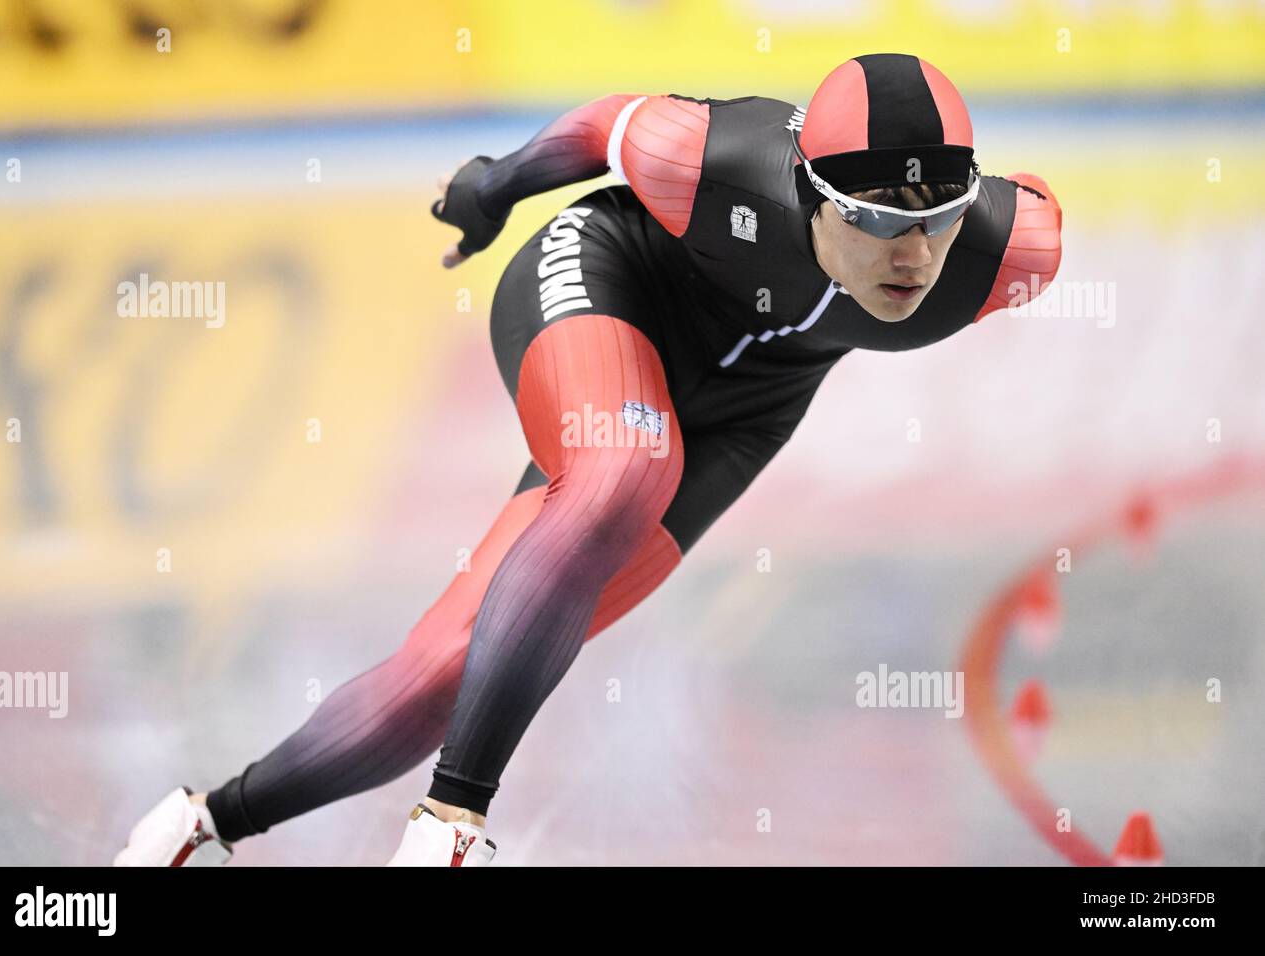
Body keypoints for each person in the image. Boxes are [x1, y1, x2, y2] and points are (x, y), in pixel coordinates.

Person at [113, 52, 1062, 867]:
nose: (913, 251)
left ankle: (199, 824)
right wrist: (492, 187)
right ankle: (453, 823)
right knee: (621, 473)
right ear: (811, 191)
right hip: (609, 285)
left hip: (742, 417)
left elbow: (1020, 216)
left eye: (937, 214)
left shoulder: (1013, 249)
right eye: (879, 216)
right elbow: (599, 131)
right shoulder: (711, 160)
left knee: (451, 671)